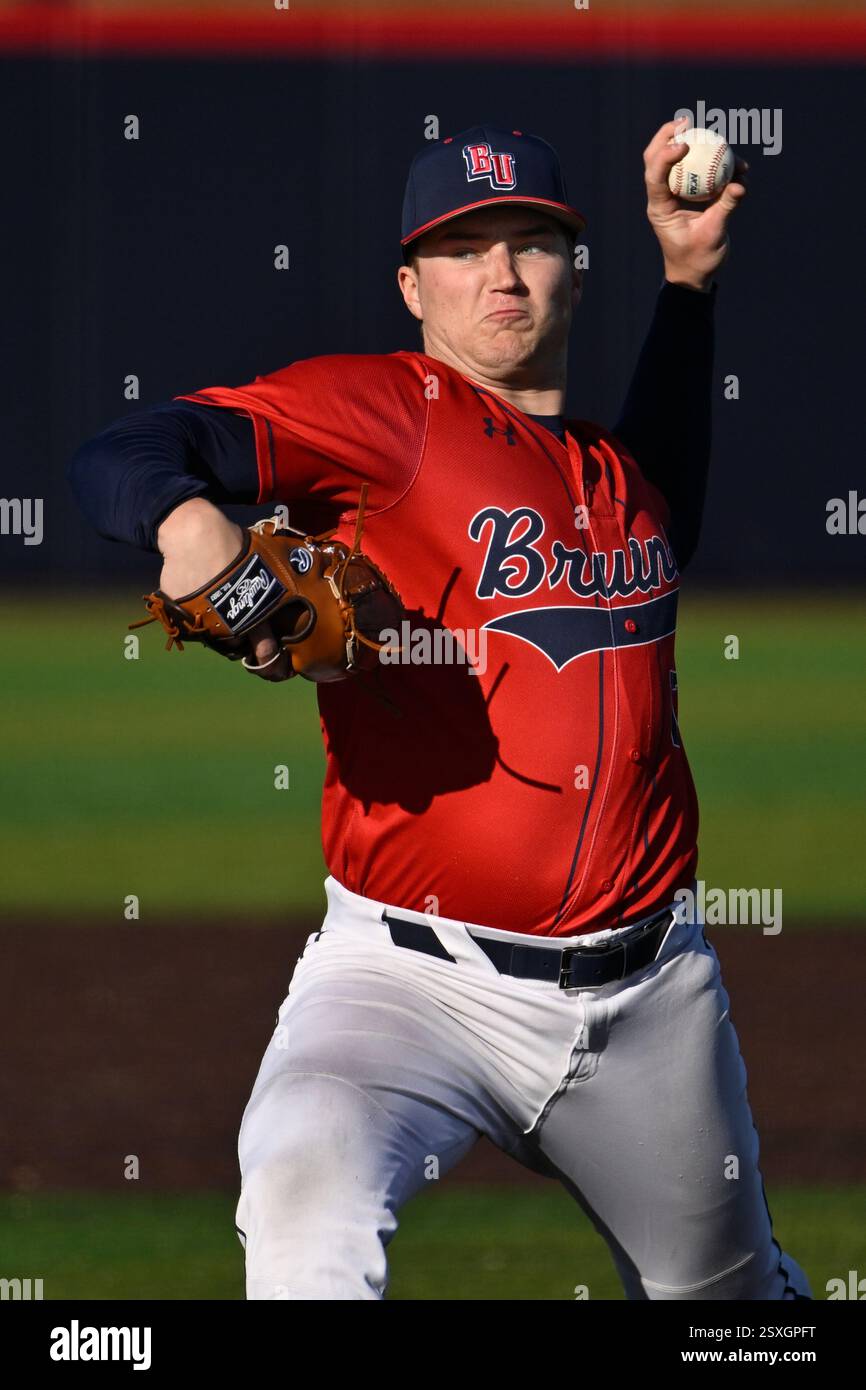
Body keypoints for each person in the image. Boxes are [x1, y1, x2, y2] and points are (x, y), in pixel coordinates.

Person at [68, 120, 811, 1301]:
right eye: (463, 250)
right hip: (409, 985)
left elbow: (664, 493)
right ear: (412, 288)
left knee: (730, 1310)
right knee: (304, 1198)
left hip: (649, 994)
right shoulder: (382, 414)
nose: (501, 275)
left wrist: (686, 282)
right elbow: (127, 446)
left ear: (572, 268)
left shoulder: (617, 481)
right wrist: (182, 516)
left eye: (529, 243)